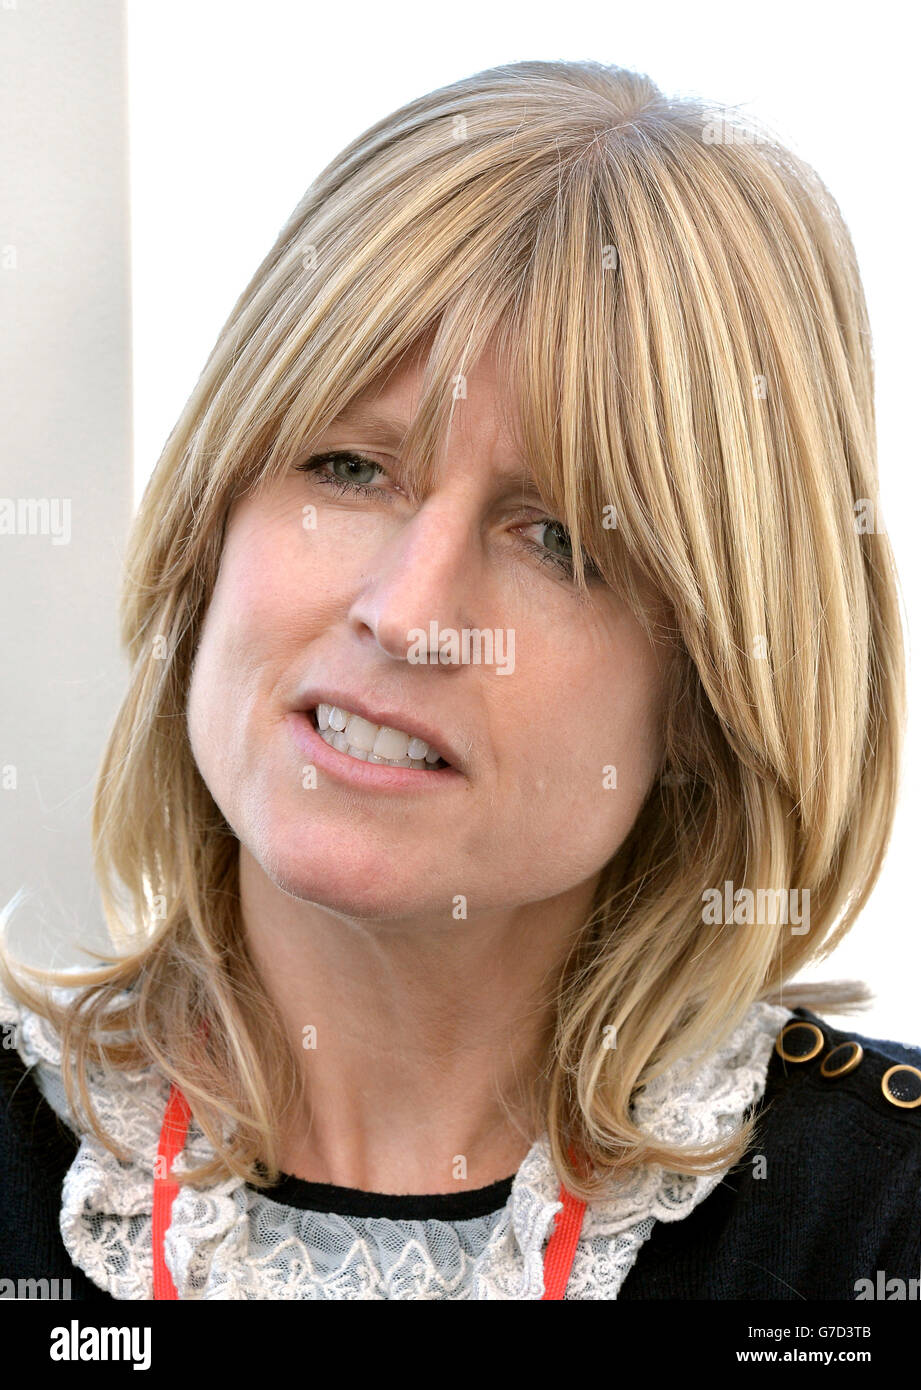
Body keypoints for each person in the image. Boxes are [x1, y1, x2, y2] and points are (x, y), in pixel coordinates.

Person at [1, 58, 918, 1302]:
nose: (408, 613)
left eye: (561, 542)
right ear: (208, 525)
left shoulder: (879, 1224)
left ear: (712, 692)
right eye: (346, 466)